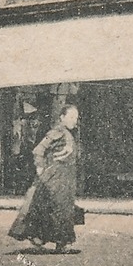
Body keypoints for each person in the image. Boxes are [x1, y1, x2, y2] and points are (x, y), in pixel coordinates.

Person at [9, 104, 82, 252]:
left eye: (76, 117)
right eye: (71, 117)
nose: (75, 120)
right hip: (55, 178)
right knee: (59, 209)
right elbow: (39, 150)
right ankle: (61, 243)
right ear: (62, 117)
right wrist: (40, 167)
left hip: (64, 178)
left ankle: (42, 238)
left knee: (58, 208)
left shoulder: (68, 133)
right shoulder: (58, 131)